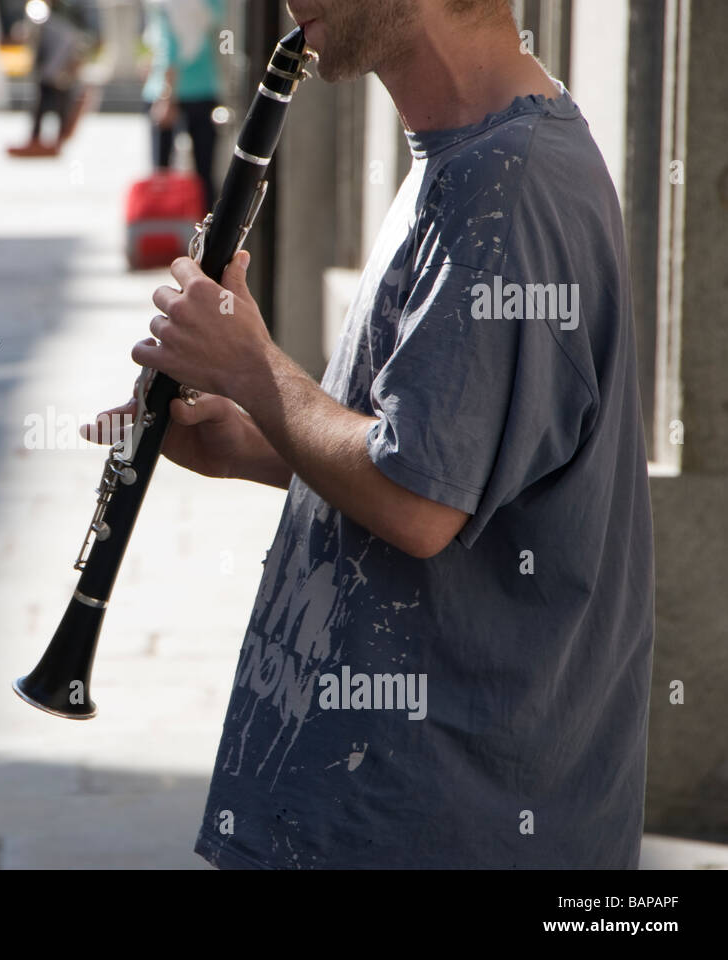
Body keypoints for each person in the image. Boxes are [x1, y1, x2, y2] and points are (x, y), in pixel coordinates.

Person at [86, 0, 654, 868]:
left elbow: (421, 503)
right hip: (373, 805)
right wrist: (254, 439)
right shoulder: (459, 153)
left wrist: (255, 366)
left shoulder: (512, 186)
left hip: (440, 821)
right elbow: (442, 457)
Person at [142, 0, 224, 211]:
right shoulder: (210, 4)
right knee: (204, 174)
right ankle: (209, 233)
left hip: (166, 91)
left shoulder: (170, 4)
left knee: (162, 175)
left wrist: (167, 97)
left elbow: (168, 47)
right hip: (204, 88)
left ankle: (164, 227)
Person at [7, 0, 95, 157]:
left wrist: (56, 72)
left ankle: (53, 139)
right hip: (54, 71)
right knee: (45, 107)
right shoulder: (51, 21)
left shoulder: (50, 23)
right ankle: (39, 139)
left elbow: (62, 47)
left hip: (55, 72)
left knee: (53, 106)